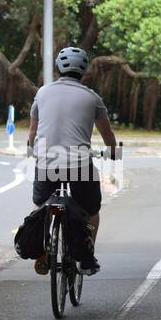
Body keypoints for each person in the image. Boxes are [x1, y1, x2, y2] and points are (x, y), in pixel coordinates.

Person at [26, 46, 117, 275]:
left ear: (58, 68)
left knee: (40, 205)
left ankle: (43, 250)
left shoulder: (43, 93)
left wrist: (31, 149)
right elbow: (108, 136)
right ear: (84, 70)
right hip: (79, 166)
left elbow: (32, 131)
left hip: (46, 163)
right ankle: (86, 259)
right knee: (92, 210)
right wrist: (113, 152)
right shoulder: (92, 98)